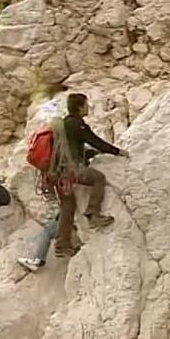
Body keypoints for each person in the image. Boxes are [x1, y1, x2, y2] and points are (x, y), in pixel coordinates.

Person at [54, 92, 128, 255]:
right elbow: (94, 140)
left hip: (57, 172)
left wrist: (90, 154)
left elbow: (71, 148)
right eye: (86, 105)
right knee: (98, 178)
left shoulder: (63, 124)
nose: (89, 107)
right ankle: (93, 214)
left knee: (68, 206)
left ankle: (62, 245)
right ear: (80, 108)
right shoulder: (77, 124)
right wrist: (117, 151)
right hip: (72, 170)